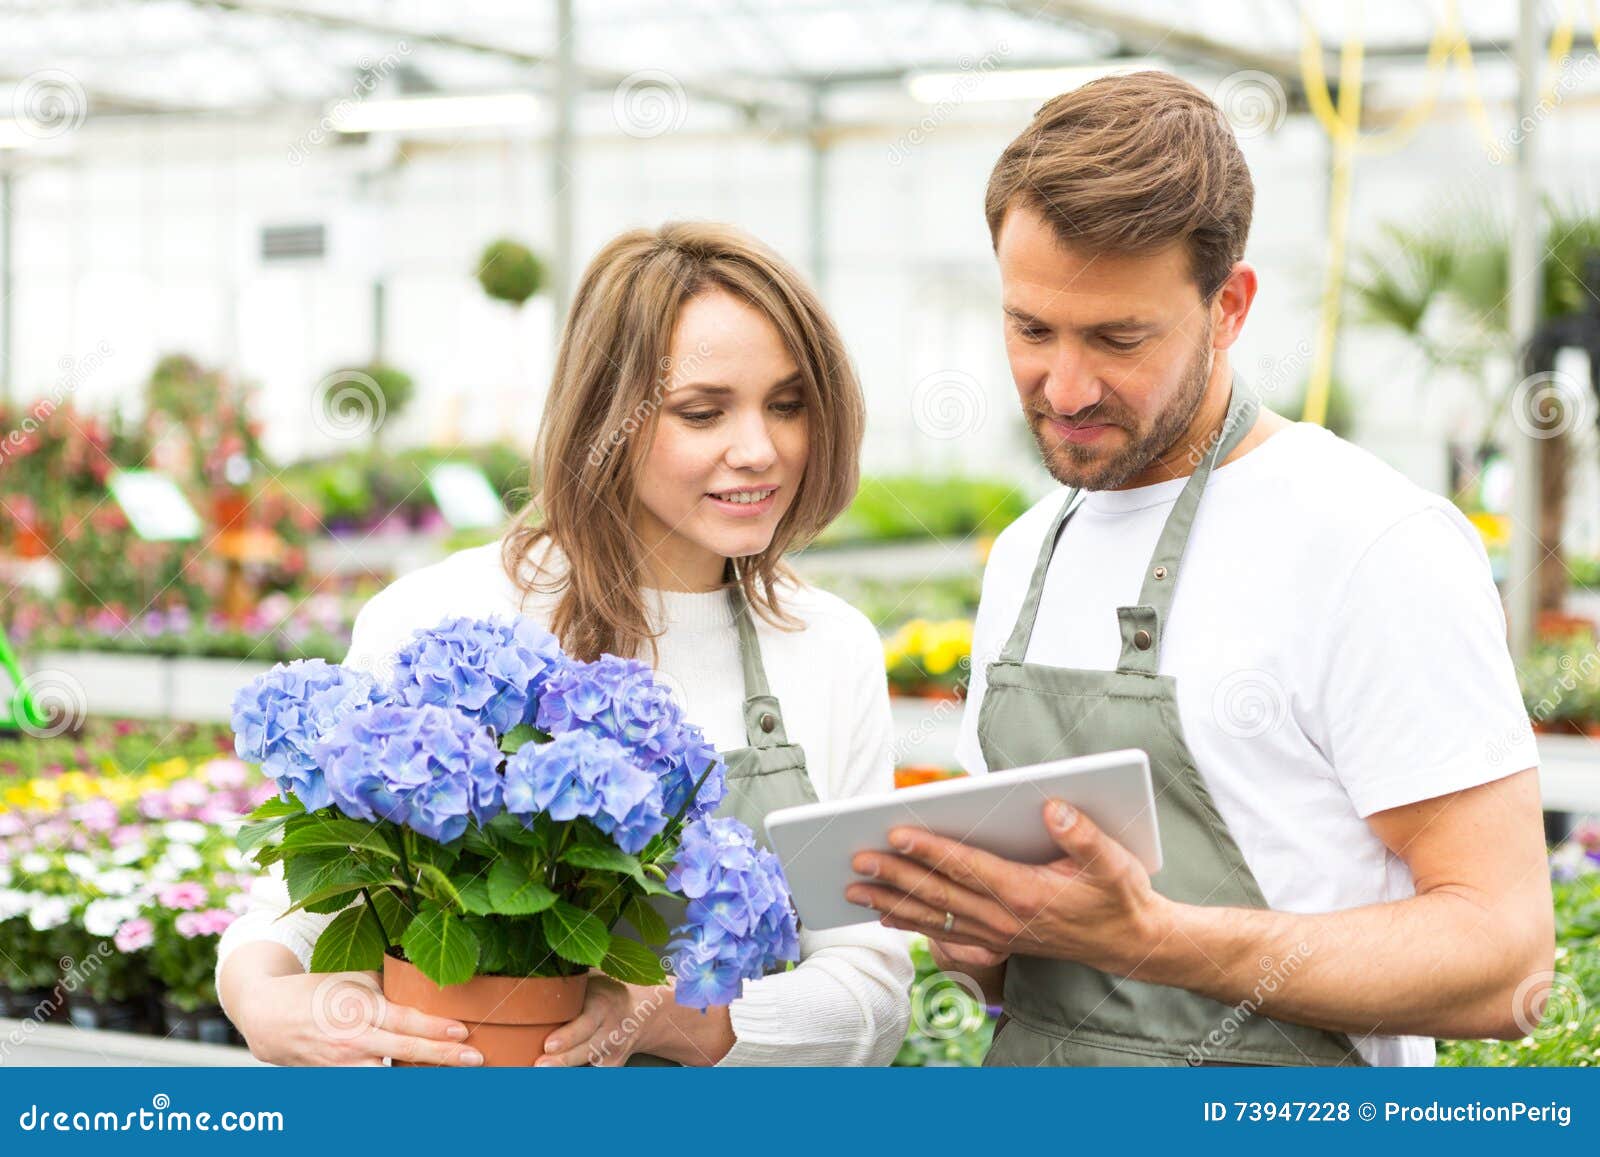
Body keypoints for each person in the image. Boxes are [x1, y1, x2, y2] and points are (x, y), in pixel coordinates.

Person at [843, 71, 1553, 1067]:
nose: (1066, 386)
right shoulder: (1025, 556)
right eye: (1030, 329)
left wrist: (1157, 939)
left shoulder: (1369, 542)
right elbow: (1024, 955)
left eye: (1117, 337)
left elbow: (1503, 953)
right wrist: (978, 936)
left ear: (1229, 307)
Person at [217, 222, 912, 1067]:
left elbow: (872, 990)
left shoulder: (829, 647)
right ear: (607, 417)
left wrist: (673, 1016)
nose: (760, 449)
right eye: (703, 411)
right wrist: (259, 996)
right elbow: (309, 905)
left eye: (789, 403)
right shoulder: (443, 617)